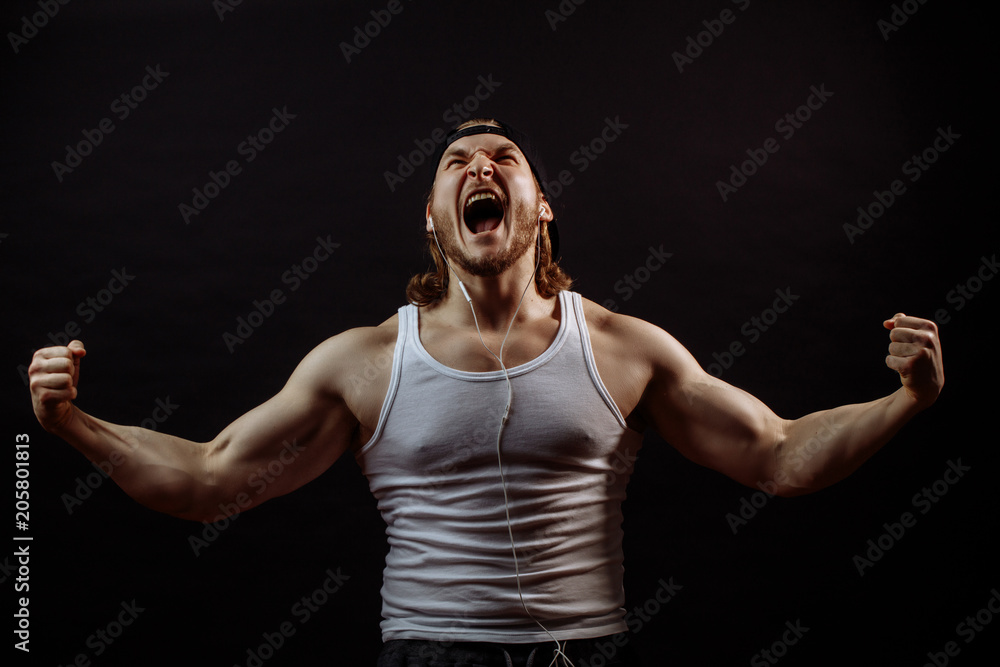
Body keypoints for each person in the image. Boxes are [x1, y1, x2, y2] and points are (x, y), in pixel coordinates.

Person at [28, 119, 944, 667]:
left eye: (503, 156)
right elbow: (208, 479)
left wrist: (904, 401)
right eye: (457, 160)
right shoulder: (365, 360)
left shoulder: (625, 348)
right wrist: (71, 425)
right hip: (426, 656)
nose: (481, 167)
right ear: (431, 217)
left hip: (581, 654)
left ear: (541, 205)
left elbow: (778, 455)